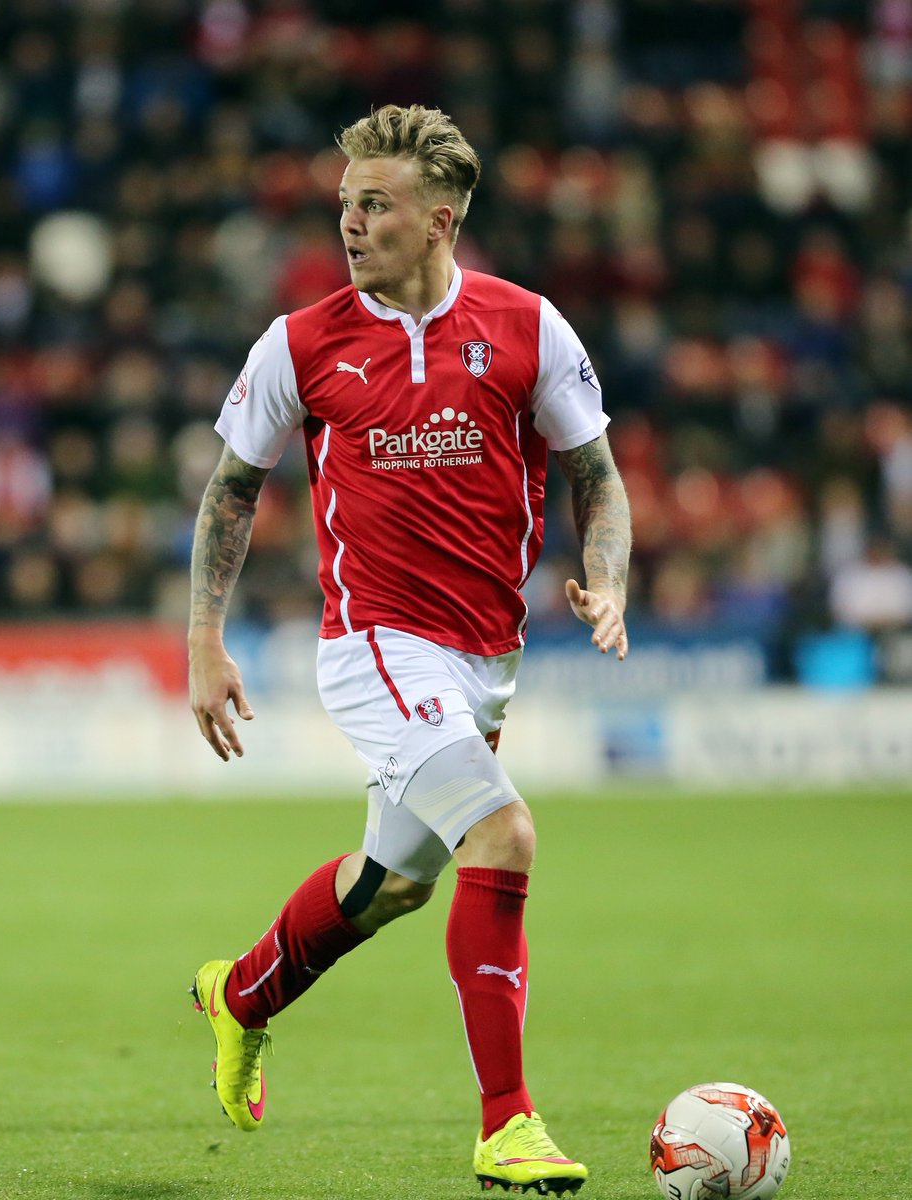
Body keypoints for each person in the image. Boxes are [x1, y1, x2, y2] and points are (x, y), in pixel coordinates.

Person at [187, 104, 631, 1196]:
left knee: (390, 886)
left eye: (373, 205)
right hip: (376, 647)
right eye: (343, 203)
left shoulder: (530, 327)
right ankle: (506, 1122)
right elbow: (230, 492)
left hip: (486, 659)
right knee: (504, 833)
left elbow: (597, 477)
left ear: (438, 220)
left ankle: (239, 995)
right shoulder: (301, 343)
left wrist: (610, 576)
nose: (348, 222)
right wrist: (204, 640)